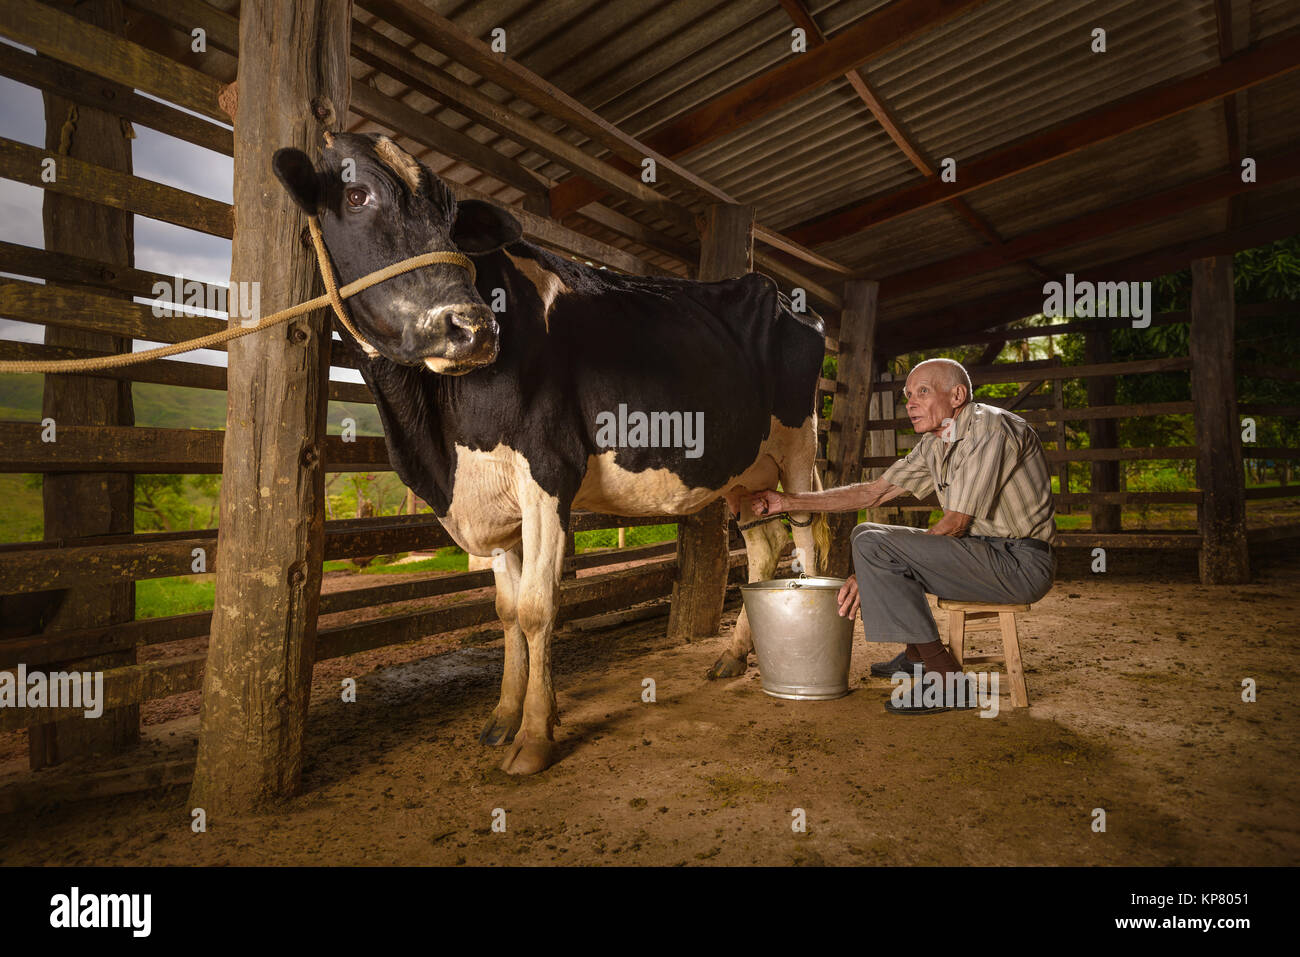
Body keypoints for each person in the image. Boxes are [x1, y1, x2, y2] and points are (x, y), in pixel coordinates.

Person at [750, 357, 1056, 713]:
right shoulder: (935, 443)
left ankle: (946, 680)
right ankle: (916, 656)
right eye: (907, 394)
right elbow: (872, 493)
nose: (909, 402)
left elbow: (956, 522)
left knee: (872, 543)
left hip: (1019, 565)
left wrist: (874, 569)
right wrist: (786, 500)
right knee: (870, 534)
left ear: (957, 395)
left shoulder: (988, 429)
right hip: (982, 555)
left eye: (922, 392)